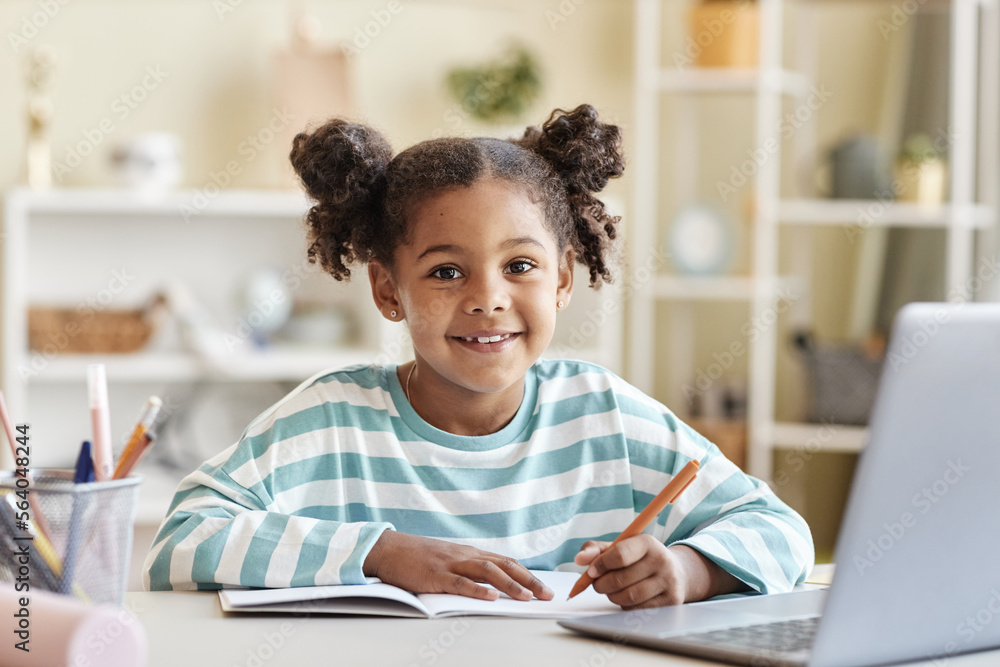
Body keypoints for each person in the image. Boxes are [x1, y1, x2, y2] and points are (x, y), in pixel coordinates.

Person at [143, 104, 813, 609]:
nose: (488, 299)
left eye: (519, 264)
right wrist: (380, 552)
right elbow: (178, 541)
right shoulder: (330, 420)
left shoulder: (605, 415)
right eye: (444, 272)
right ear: (387, 289)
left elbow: (782, 531)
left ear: (562, 279)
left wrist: (690, 571)